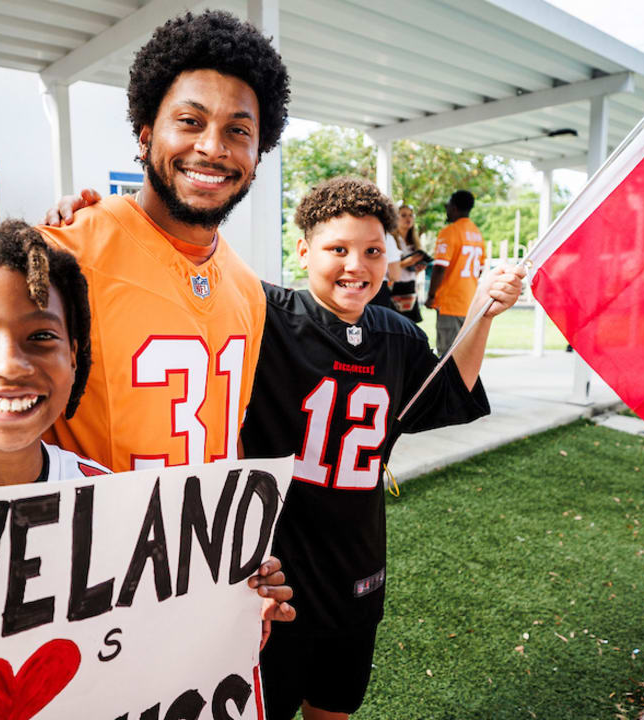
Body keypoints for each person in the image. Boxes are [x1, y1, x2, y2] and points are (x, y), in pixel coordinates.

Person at [0, 221, 292, 616]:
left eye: (41, 336)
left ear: (74, 358)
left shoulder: (120, 506)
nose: (9, 365)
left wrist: (232, 601)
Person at [240, 176, 524, 720]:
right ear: (303, 251)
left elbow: (448, 395)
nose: (357, 266)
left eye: (373, 251)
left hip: (357, 561)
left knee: (334, 707)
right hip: (274, 566)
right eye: (338, 250)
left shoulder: (396, 334)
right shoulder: (265, 314)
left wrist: (483, 315)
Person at [37, 10, 289, 475]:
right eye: (191, 121)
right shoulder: (65, 253)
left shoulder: (248, 289)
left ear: (258, 153)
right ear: (147, 135)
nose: (213, 147)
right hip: (96, 543)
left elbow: (228, 437)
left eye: (238, 130)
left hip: (208, 543)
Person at [425, 190, 486, 355]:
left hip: (450, 304)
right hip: (469, 304)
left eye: (448, 206)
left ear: (454, 207)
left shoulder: (450, 231)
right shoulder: (477, 234)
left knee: (447, 357)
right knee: (465, 356)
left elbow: (439, 268)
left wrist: (431, 296)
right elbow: (479, 270)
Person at [389, 203, 427, 324]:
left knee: (410, 326)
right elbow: (387, 269)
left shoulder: (414, 241)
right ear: (396, 218)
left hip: (410, 286)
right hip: (395, 287)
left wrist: (417, 269)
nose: (408, 218)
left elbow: (410, 271)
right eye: (403, 215)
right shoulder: (390, 239)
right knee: (396, 324)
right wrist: (406, 262)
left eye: (410, 215)